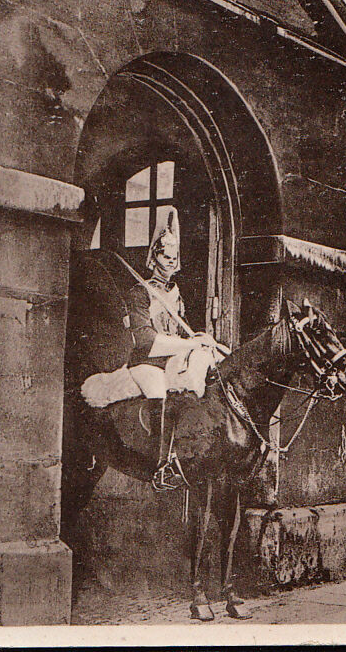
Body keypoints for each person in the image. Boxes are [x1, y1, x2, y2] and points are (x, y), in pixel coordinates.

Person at [126, 210, 225, 490]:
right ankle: (159, 466)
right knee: (159, 389)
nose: (169, 261)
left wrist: (198, 338)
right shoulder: (140, 292)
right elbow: (147, 340)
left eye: (173, 256)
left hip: (172, 358)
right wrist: (188, 344)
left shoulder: (176, 293)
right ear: (153, 257)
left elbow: (180, 334)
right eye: (164, 255)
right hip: (147, 362)